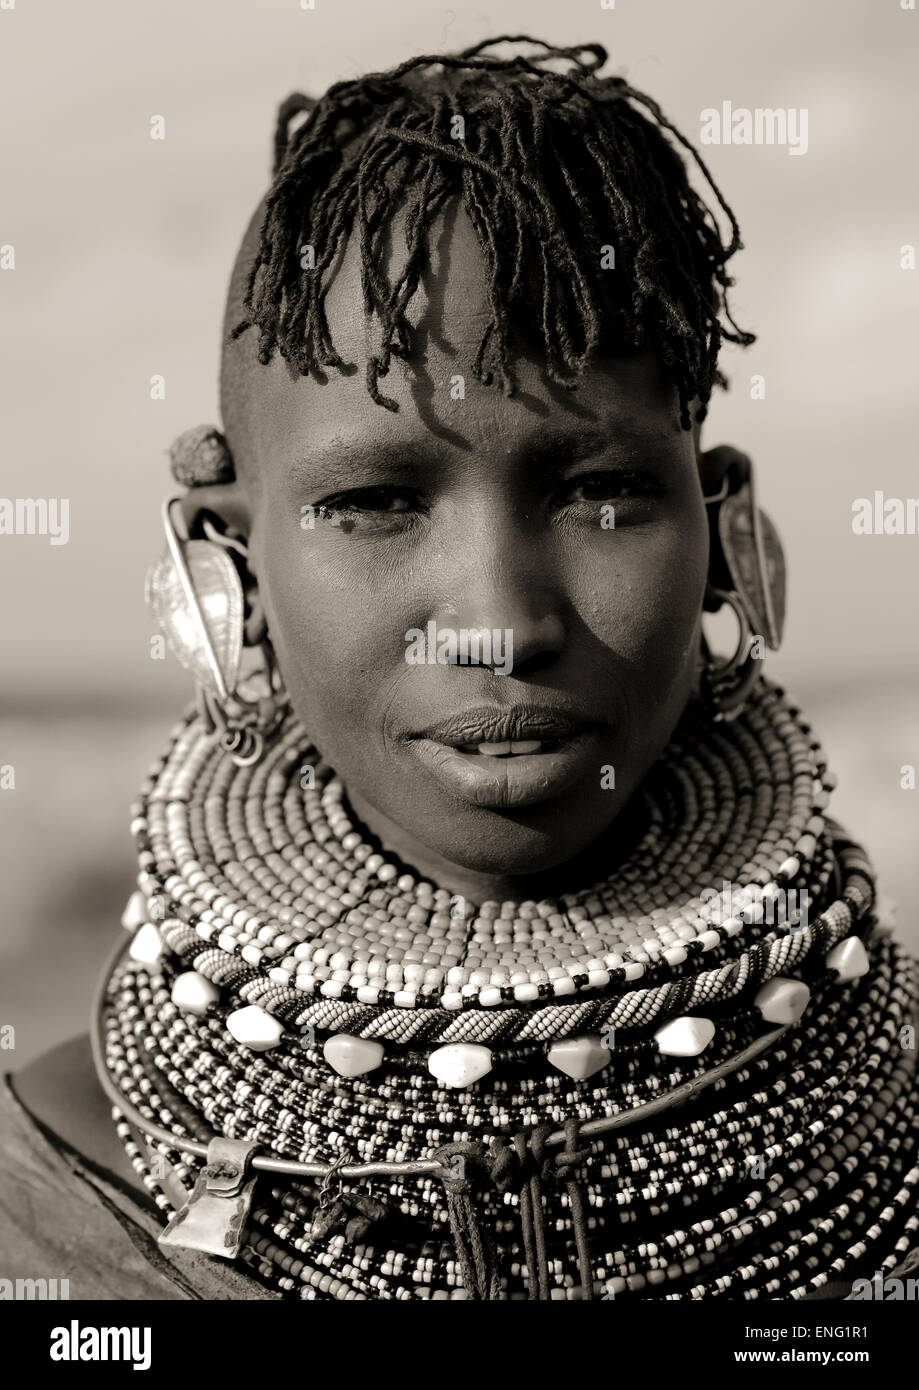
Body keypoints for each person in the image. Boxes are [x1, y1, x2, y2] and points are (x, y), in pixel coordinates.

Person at [4, 35, 918, 1302]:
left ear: (721, 530)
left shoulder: (893, 1126)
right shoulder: (49, 1208)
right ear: (228, 556)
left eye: (599, 492)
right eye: (377, 501)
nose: (498, 620)